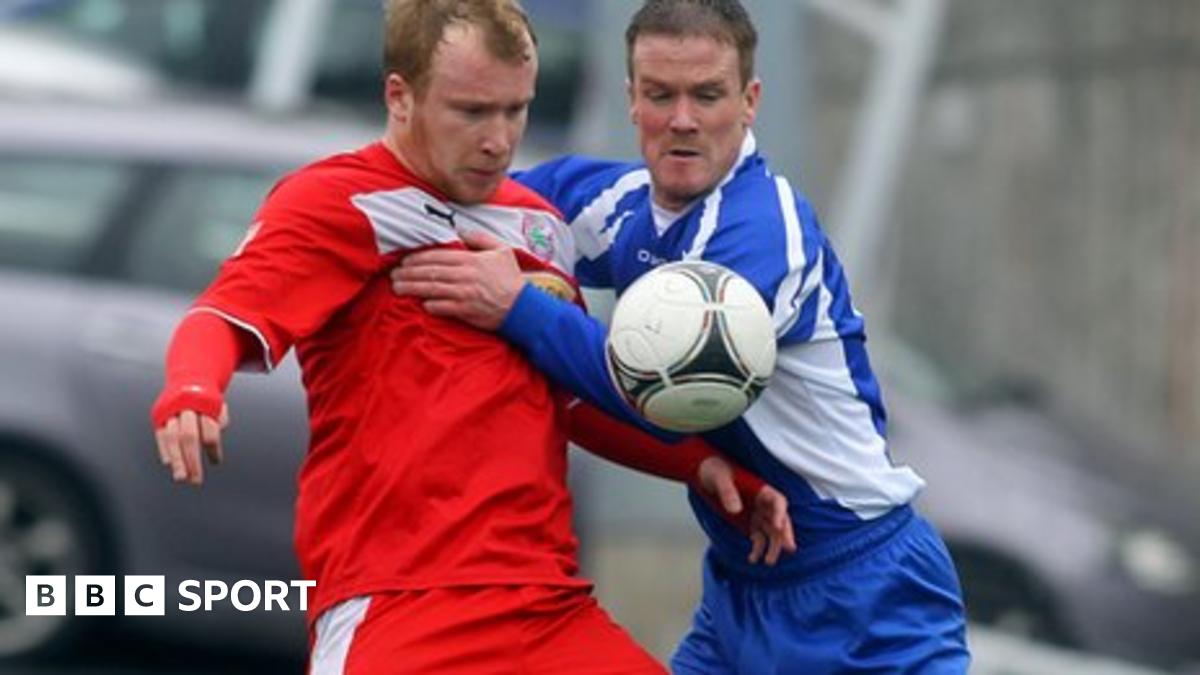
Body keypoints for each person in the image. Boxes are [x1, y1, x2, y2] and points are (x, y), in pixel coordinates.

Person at [149, 1, 795, 673]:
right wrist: (192, 388)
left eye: (516, 110)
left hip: (546, 607)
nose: (499, 139)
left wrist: (697, 462)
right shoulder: (337, 201)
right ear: (400, 97)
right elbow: (220, 316)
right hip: (399, 605)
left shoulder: (540, 225)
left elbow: (567, 400)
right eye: (472, 111)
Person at [392, 0, 972, 672]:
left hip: (862, 595)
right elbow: (463, 201)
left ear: (749, 101)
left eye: (708, 95)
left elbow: (660, 394)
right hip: (741, 586)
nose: (684, 120)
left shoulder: (762, 229)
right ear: (632, 100)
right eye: (661, 95)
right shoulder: (621, 204)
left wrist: (519, 305)